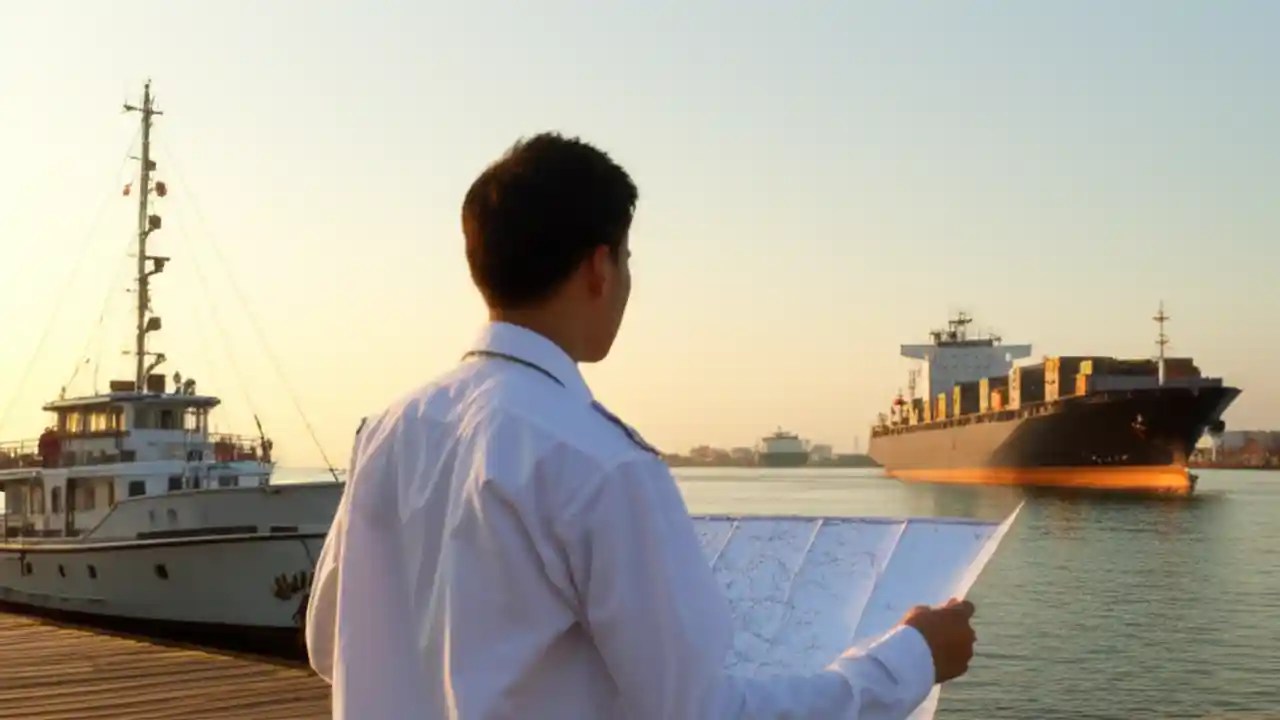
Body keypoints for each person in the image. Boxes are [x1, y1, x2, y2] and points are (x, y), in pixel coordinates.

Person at [305, 132, 978, 719]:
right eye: (627, 258)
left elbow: (327, 643)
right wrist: (911, 659)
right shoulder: (602, 466)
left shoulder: (388, 433)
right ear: (600, 266)